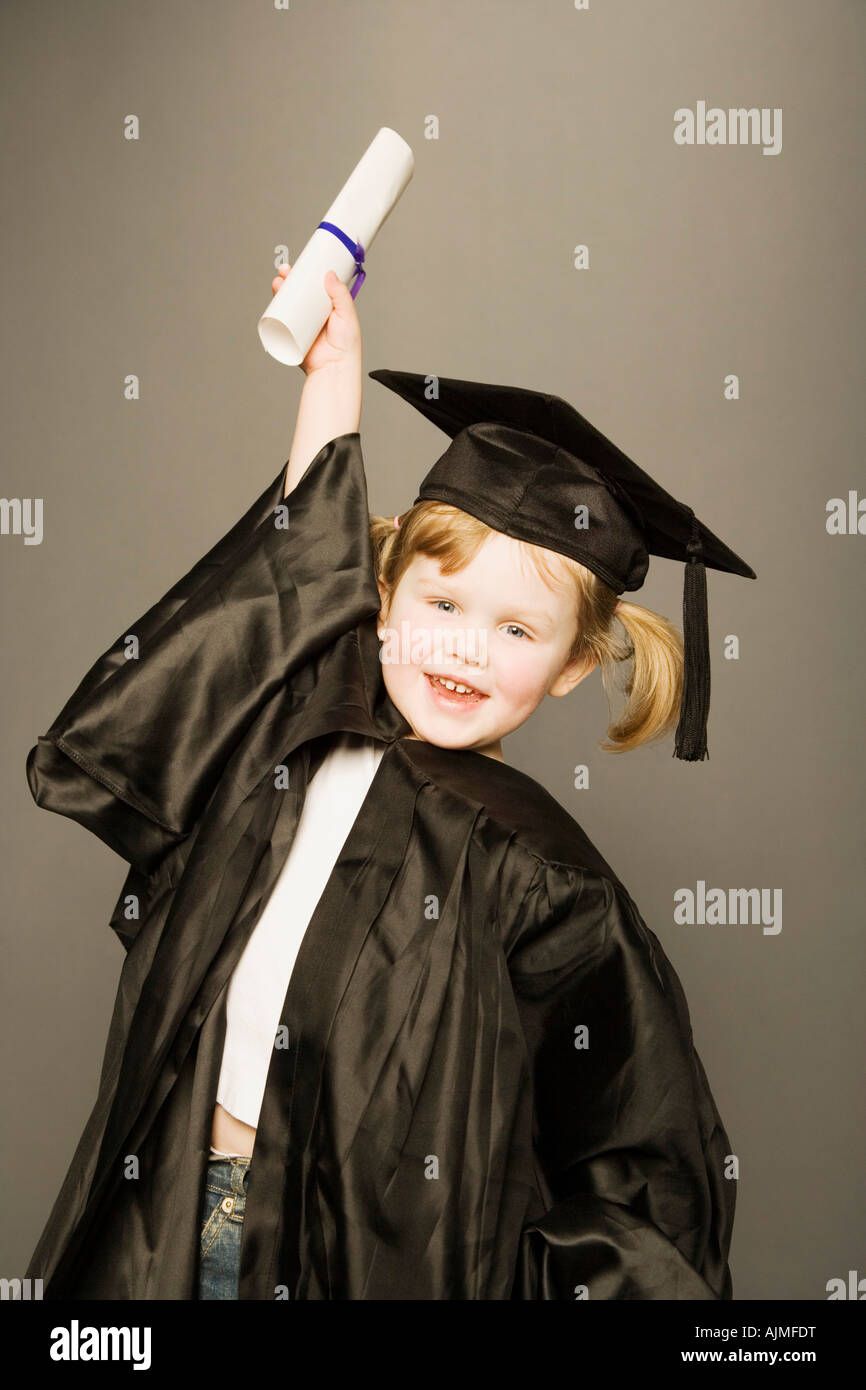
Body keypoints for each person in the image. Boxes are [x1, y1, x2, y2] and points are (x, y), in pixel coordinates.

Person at [24, 262, 748, 1300]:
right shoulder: (293, 736)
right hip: (188, 1213)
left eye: (515, 629)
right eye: (441, 605)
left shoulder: (543, 877)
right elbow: (282, 590)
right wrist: (331, 380)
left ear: (573, 665)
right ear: (378, 593)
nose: (463, 651)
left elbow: (642, 1152)